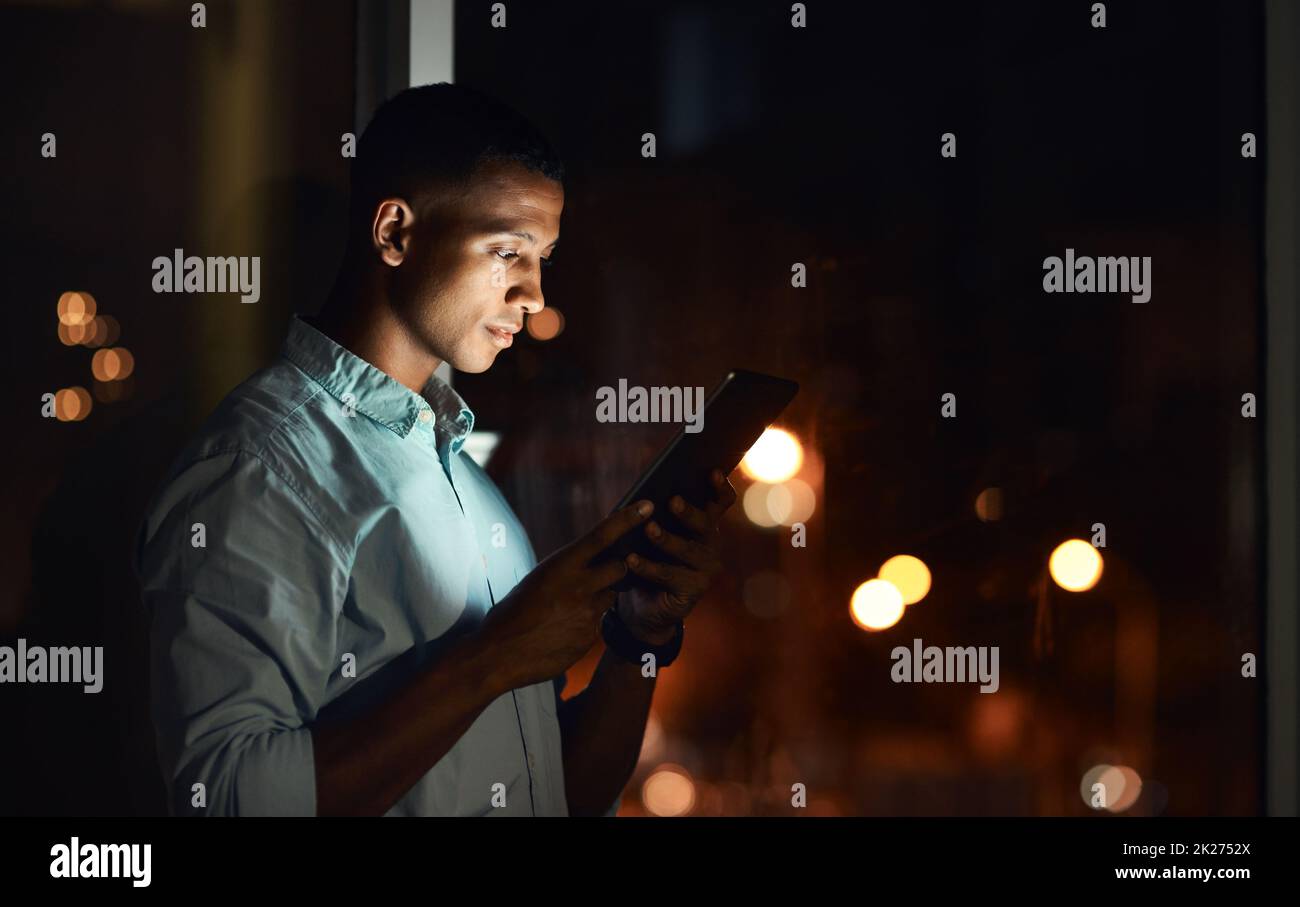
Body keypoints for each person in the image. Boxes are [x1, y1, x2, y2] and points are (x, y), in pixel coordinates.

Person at [133, 82, 736, 817]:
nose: (534, 295)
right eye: (507, 251)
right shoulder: (259, 470)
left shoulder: (464, 483)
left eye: (543, 257)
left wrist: (639, 639)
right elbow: (225, 799)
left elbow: (556, 793)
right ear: (395, 234)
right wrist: (495, 656)